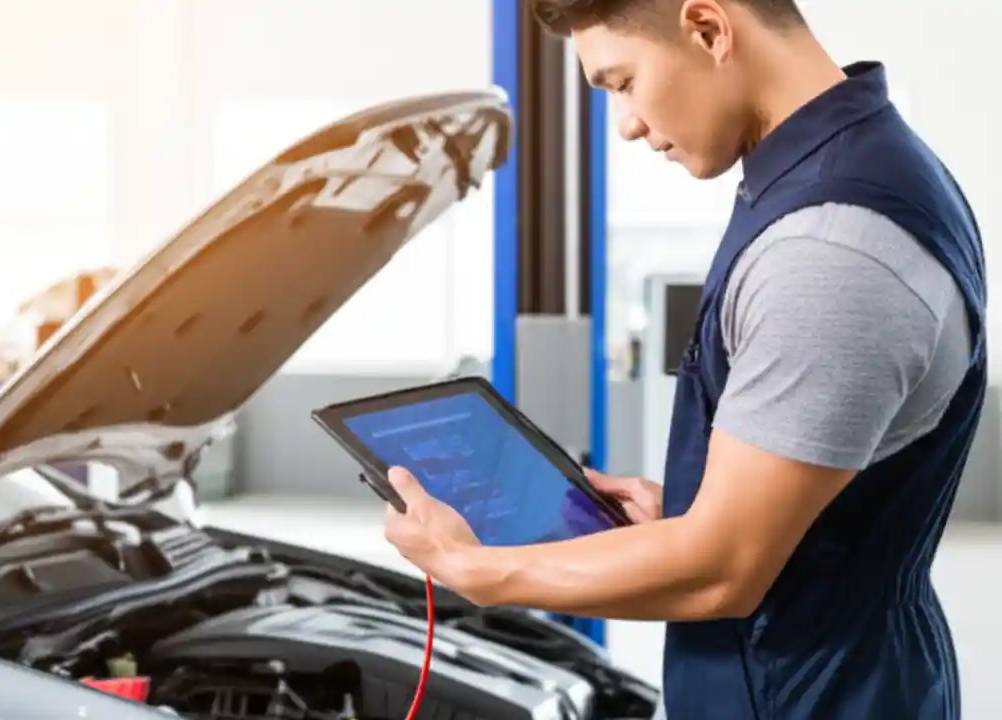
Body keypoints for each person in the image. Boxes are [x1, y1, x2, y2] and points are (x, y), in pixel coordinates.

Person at [380, 1, 987, 718]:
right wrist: (697, 507)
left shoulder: (827, 248)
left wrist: (480, 570)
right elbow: (830, 502)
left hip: (811, 696)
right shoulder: (863, 170)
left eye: (622, 82)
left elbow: (722, 573)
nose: (627, 124)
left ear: (708, 27)